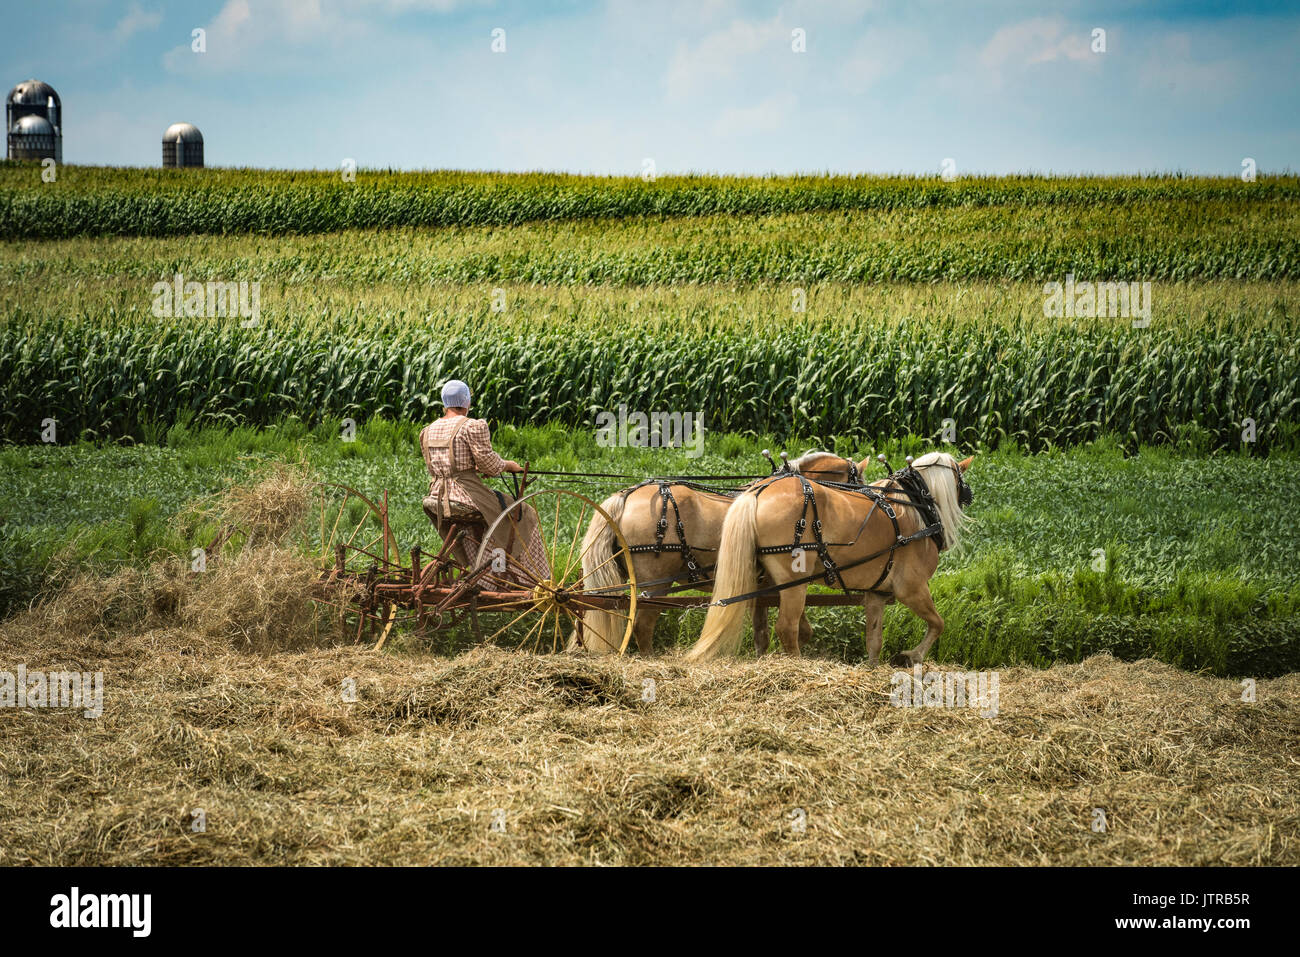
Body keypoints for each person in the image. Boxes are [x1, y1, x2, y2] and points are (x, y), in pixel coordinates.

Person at [419, 380, 549, 584]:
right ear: (466, 401)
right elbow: (490, 464)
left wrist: (474, 468)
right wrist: (509, 465)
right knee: (522, 512)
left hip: (437, 495)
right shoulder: (471, 426)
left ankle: (483, 572)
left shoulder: (428, 430)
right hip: (466, 495)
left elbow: (447, 464)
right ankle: (524, 576)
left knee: (479, 523)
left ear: (444, 403)